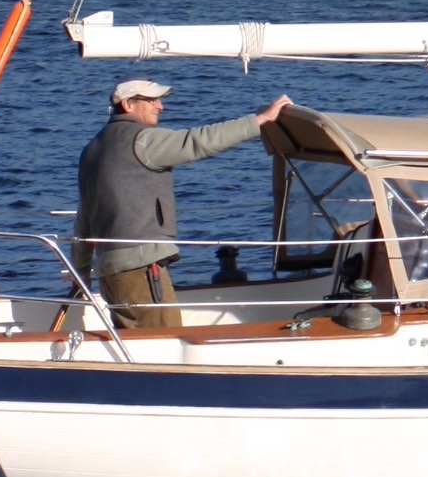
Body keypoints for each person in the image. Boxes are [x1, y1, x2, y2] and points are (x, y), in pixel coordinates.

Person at [74, 79, 290, 331]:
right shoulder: (144, 141)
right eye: (152, 100)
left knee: (133, 340)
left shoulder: (91, 150)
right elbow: (199, 141)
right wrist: (258, 121)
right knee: (165, 337)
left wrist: (81, 268)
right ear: (128, 104)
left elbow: (84, 218)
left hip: (110, 271)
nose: (160, 106)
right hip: (141, 267)